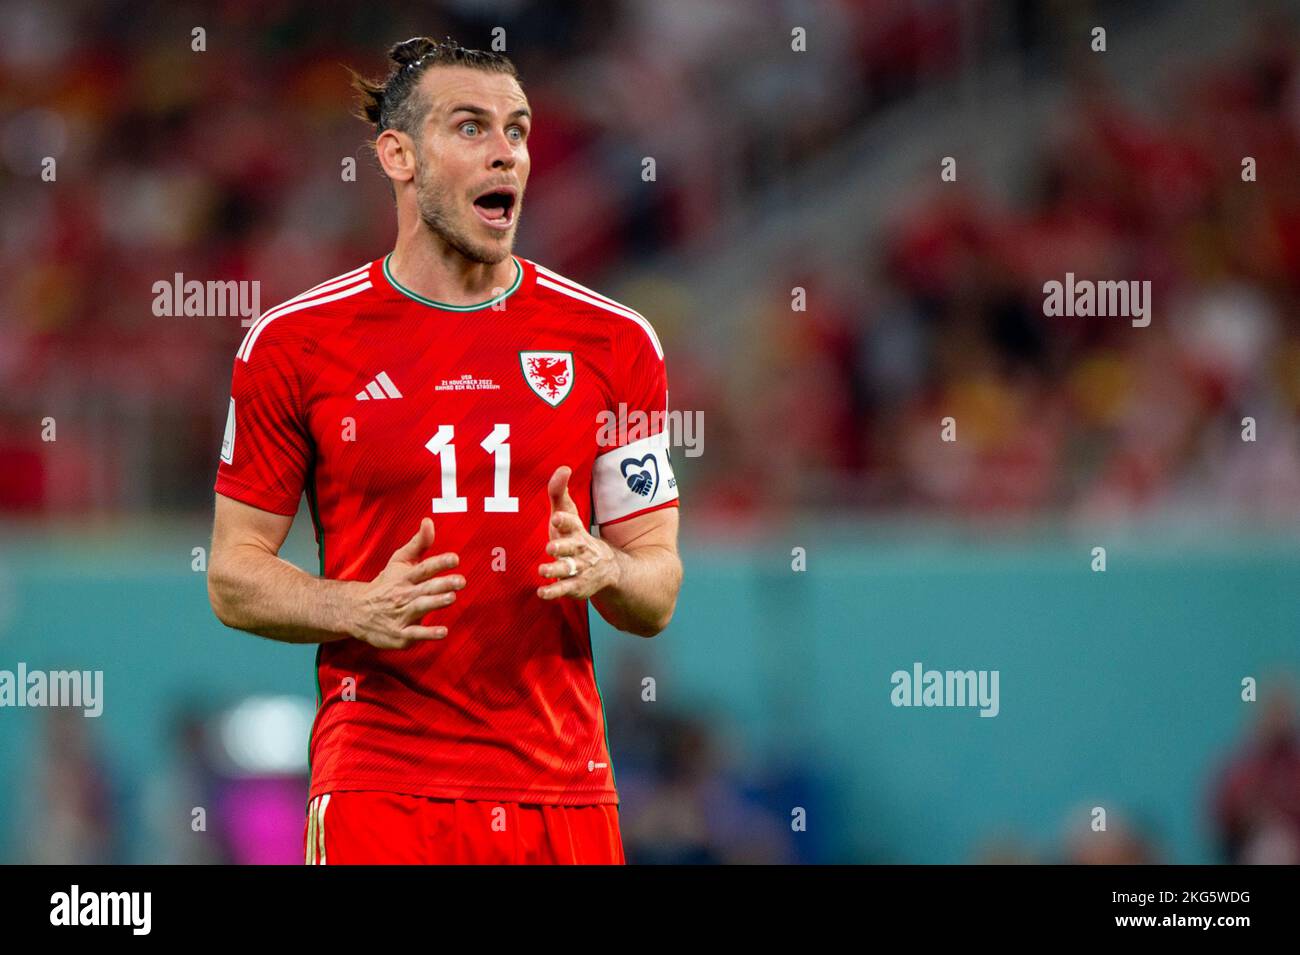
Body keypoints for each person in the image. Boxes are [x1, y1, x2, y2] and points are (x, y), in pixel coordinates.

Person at [206, 36, 682, 864]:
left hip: (560, 787)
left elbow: (659, 586)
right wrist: (355, 607)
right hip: (380, 782)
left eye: (519, 130)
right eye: (471, 128)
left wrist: (608, 570)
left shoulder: (614, 343)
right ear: (397, 155)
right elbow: (233, 573)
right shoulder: (294, 344)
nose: (507, 152)